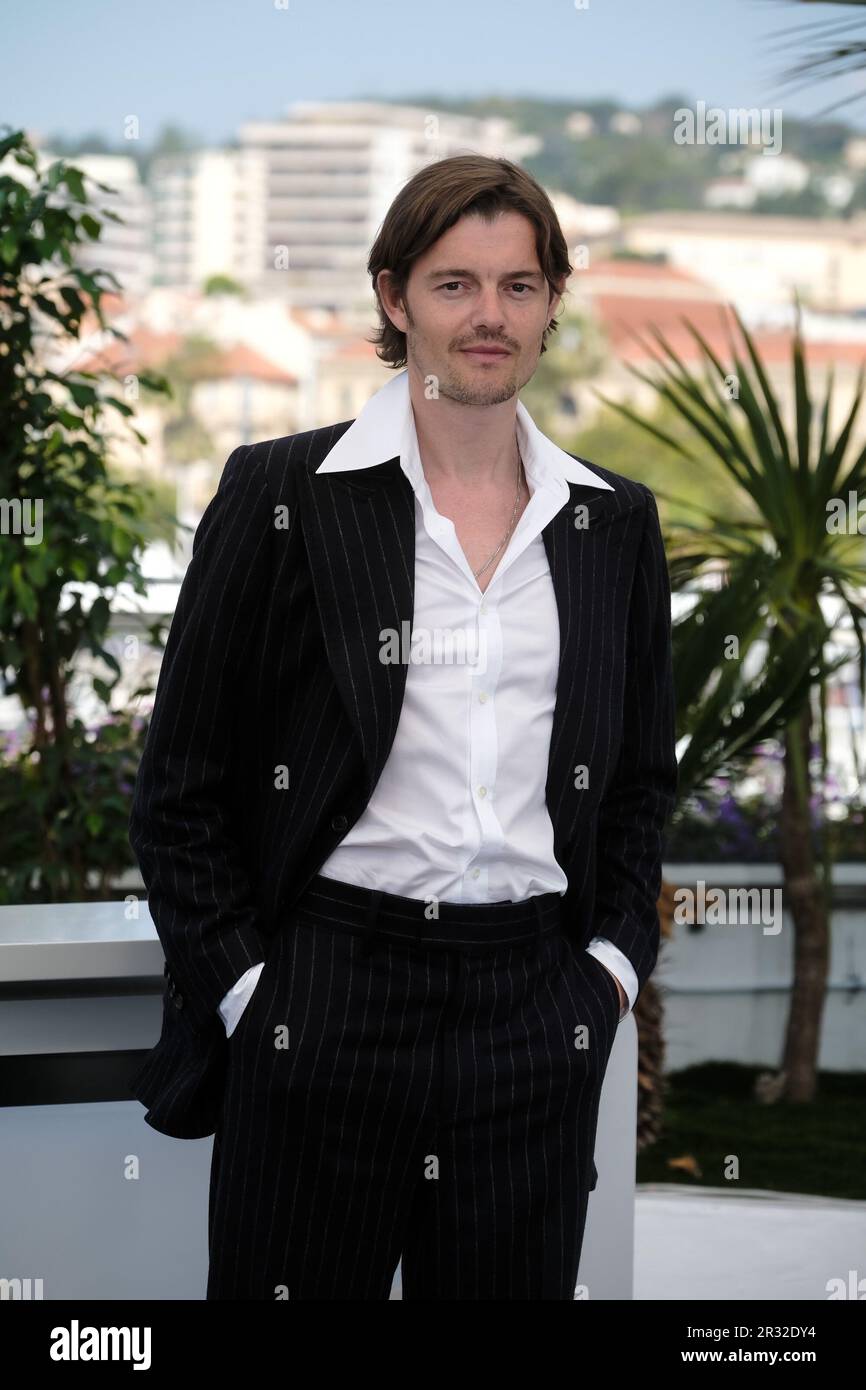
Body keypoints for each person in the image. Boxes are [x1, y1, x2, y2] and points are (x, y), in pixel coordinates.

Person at [128, 153, 678, 1300]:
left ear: (550, 305)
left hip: (533, 1008)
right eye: (453, 284)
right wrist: (251, 994)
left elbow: (635, 782)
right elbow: (178, 785)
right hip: (323, 999)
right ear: (393, 298)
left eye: (518, 287)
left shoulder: (611, 523)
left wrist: (608, 975)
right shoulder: (282, 493)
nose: (489, 316)